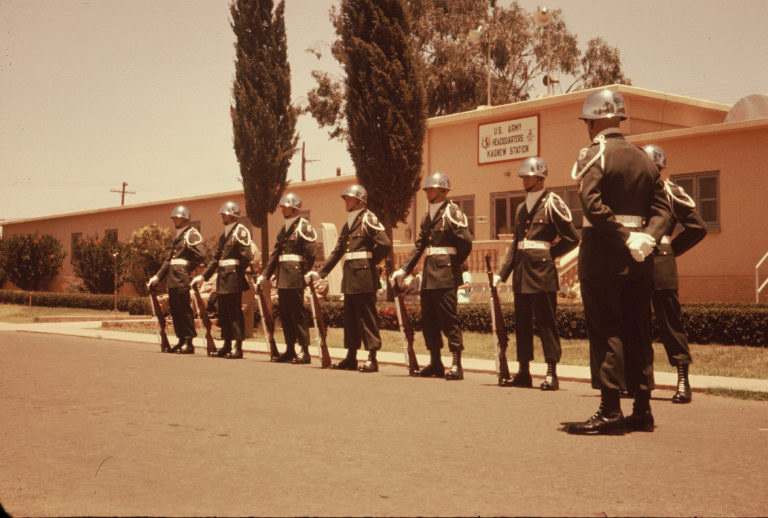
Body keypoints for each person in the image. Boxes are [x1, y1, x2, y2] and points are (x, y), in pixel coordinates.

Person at [565, 89, 670, 435]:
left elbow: (592, 204)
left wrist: (624, 236)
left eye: (588, 121)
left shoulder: (596, 154)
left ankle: (610, 408)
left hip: (604, 255)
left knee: (607, 326)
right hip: (639, 257)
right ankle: (642, 408)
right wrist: (648, 236)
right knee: (638, 327)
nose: (587, 127)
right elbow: (663, 209)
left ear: (596, 121)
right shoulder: (643, 159)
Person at [493, 157, 579, 390]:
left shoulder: (553, 203)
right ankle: (523, 371)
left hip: (542, 273)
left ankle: (551, 371)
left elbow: (572, 237)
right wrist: (502, 274)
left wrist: (550, 254)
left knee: (546, 323)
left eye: (528, 176)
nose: (524, 180)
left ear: (540, 178)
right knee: (522, 324)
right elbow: (516, 243)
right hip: (521, 272)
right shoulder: (521, 208)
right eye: (523, 176)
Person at [390, 172, 473, 380]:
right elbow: (420, 246)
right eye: (427, 189)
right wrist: (404, 269)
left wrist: (452, 264)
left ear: (444, 191)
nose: (428, 192)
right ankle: (436, 362)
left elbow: (465, 243)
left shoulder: (453, 212)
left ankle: (456, 363)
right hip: (429, 273)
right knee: (429, 320)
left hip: (446, 273)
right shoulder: (428, 216)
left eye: (432, 189)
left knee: (448, 318)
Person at [643, 144, 707, 404]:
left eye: (651, 167)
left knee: (670, 323)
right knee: (635, 323)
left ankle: (682, 379)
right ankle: (641, 381)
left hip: (660, 262)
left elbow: (697, 227)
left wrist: (670, 250)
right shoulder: (632, 193)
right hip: (634, 264)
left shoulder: (669, 191)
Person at [306, 184, 391, 372]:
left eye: (349, 198)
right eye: (346, 198)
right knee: (351, 318)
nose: (346, 201)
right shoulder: (348, 224)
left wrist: (370, 260)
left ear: (360, 200)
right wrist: (320, 273)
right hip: (351, 276)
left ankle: (372, 357)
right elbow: (337, 252)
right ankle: (351, 357)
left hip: (364, 275)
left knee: (367, 318)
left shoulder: (368, 218)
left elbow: (384, 243)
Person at [259, 193, 317, 364]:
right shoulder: (284, 230)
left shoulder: (303, 227)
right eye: (282, 206)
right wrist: (265, 275)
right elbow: (275, 254)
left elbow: (311, 253)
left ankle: (304, 351)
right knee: (285, 315)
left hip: (296, 276)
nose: (282, 209)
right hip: (283, 277)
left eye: (285, 206)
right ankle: (290, 349)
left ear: (294, 208)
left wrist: (305, 273)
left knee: (297, 315)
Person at [192, 201, 253, 359]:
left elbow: (247, 256)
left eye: (225, 214)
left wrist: (236, 273)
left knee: (234, 312)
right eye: (223, 214)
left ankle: (237, 347)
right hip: (223, 278)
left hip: (233, 277)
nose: (223, 216)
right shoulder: (224, 235)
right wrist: (203, 276)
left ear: (233, 215)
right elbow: (216, 259)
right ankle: (226, 344)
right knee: (224, 312)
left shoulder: (240, 231)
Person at [147, 205, 204, 354]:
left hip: (181, 277)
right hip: (172, 278)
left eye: (178, 218)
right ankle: (180, 339)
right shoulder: (177, 236)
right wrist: (157, 277)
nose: (175, 221)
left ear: (185, 219)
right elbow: (168, 261)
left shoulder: (191, 234)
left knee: (184, 310)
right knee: (175, 310)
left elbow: (201, 255)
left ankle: (188, 341)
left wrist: (187, 268)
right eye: (174, 218)